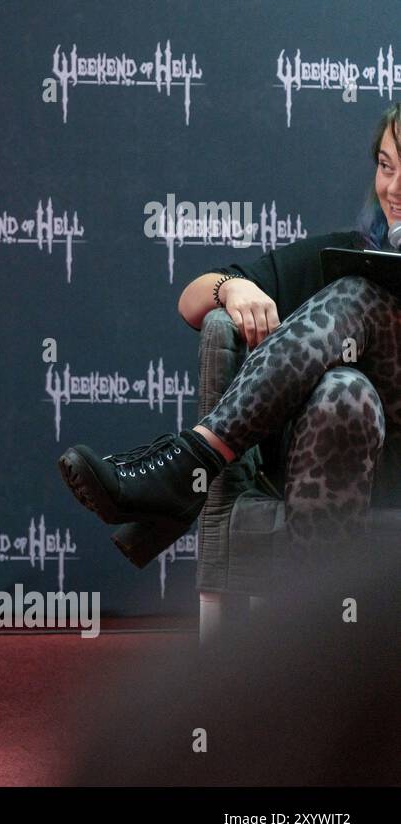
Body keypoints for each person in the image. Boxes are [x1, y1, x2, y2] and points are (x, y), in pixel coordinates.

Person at [58, 102, 401, 562]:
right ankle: (325, 619)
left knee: (360, 294)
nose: (393, 189)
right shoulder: (345, 254)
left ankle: (186, 468)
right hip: (318, 465)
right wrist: (233, 288)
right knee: (344, 390)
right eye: (385, 166)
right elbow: (192, 299)